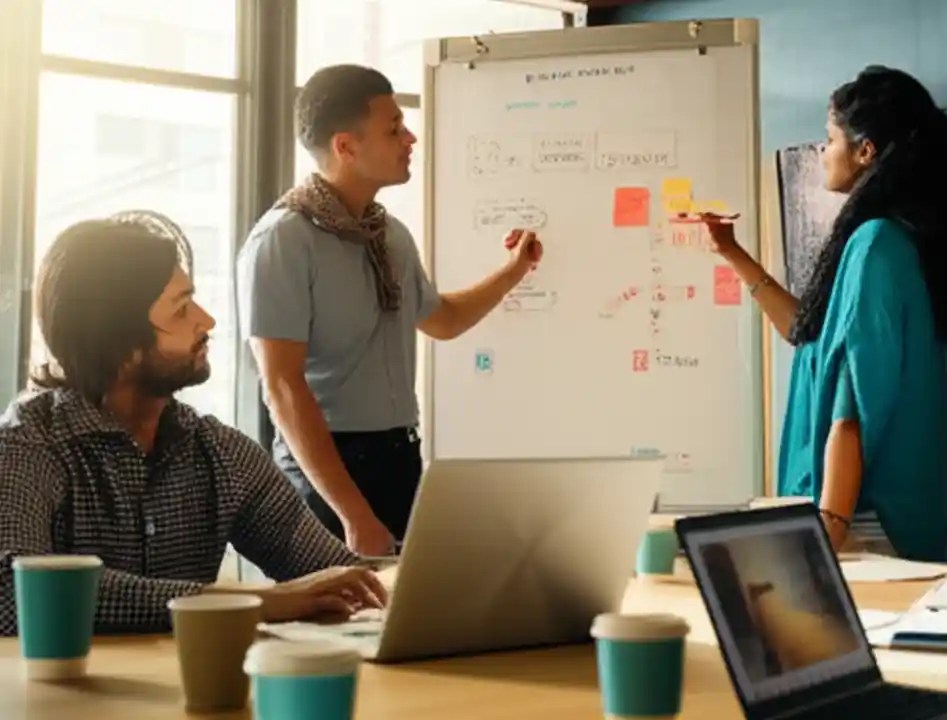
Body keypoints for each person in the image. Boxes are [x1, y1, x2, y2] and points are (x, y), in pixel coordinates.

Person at [0, 212, 386, 636]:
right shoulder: (27, 445)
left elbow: (335, 573)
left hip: (196, 694)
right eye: (181, 310)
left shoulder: (220, 452)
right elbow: (10, 594)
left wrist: (413, 583)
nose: (206, 320)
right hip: (62, 699)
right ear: (120, 344)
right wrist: (252, 603)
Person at [238, 65, 543, 556]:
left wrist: (514, 270)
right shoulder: (283, 241)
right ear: (345, 147)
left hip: (400, 455)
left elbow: (441, 319)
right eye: (394, 128)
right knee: (336, 626)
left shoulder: (389, 235)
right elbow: (282, 388)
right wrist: (354, 515)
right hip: (329, 472)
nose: (411, 137)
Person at [702, 66, 947, 559]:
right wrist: (731, 252)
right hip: (858, 517)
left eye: (830, 138)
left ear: (865, 151)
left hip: (861, 522)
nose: (822, 150)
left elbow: (851, 411)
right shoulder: (887, 244)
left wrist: (826, 530)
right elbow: (804, 332)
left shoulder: (875, 246)